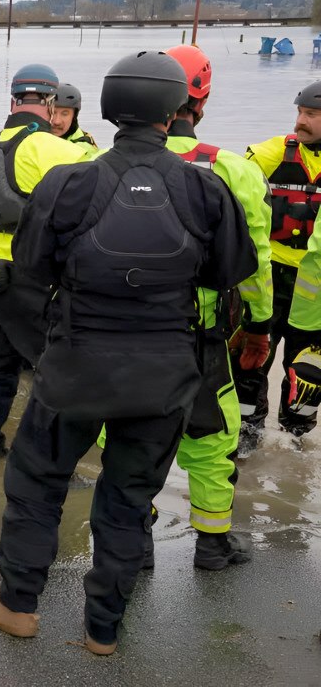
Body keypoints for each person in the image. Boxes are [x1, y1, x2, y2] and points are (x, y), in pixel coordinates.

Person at [0, 51, 257, 655]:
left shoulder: (70, 180)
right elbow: (229, 271)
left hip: (76, 368)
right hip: (166, 373)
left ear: (106, 107)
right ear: (175, 110)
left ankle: (17, 604)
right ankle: (103, 629)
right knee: (127, 498)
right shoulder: (206, 186)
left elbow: (34, 266)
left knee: (38, 483)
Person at [156, 44, 272, 569]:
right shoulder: (234, 170)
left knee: (125, 438)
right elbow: (256, 264)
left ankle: (129, 542)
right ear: (200, 102)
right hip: (199, 335)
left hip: (122, 335)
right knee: (214, 437)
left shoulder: (98, 164)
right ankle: (212, 542)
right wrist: (259, 329)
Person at [0, 64, 89, 458]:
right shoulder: (54, 148)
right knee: (55, 371)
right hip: (38, 279)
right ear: (51, 104)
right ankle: (45, 459)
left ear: (14, 101)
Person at [236, 81, 321, 450]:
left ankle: (295, 454)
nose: (301, 121)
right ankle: (246, 439)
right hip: (268, 279)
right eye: (300, 112)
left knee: (308, 379)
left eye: (312, 115)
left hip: (315, 293)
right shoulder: (269, 154)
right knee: (248, 364)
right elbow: (232, 196)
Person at [49, 82, 98, 154]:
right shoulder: (29, 137)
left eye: (65, 114)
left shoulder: (85, 150)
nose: (57, 121)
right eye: (52, 112)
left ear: (74, 117)